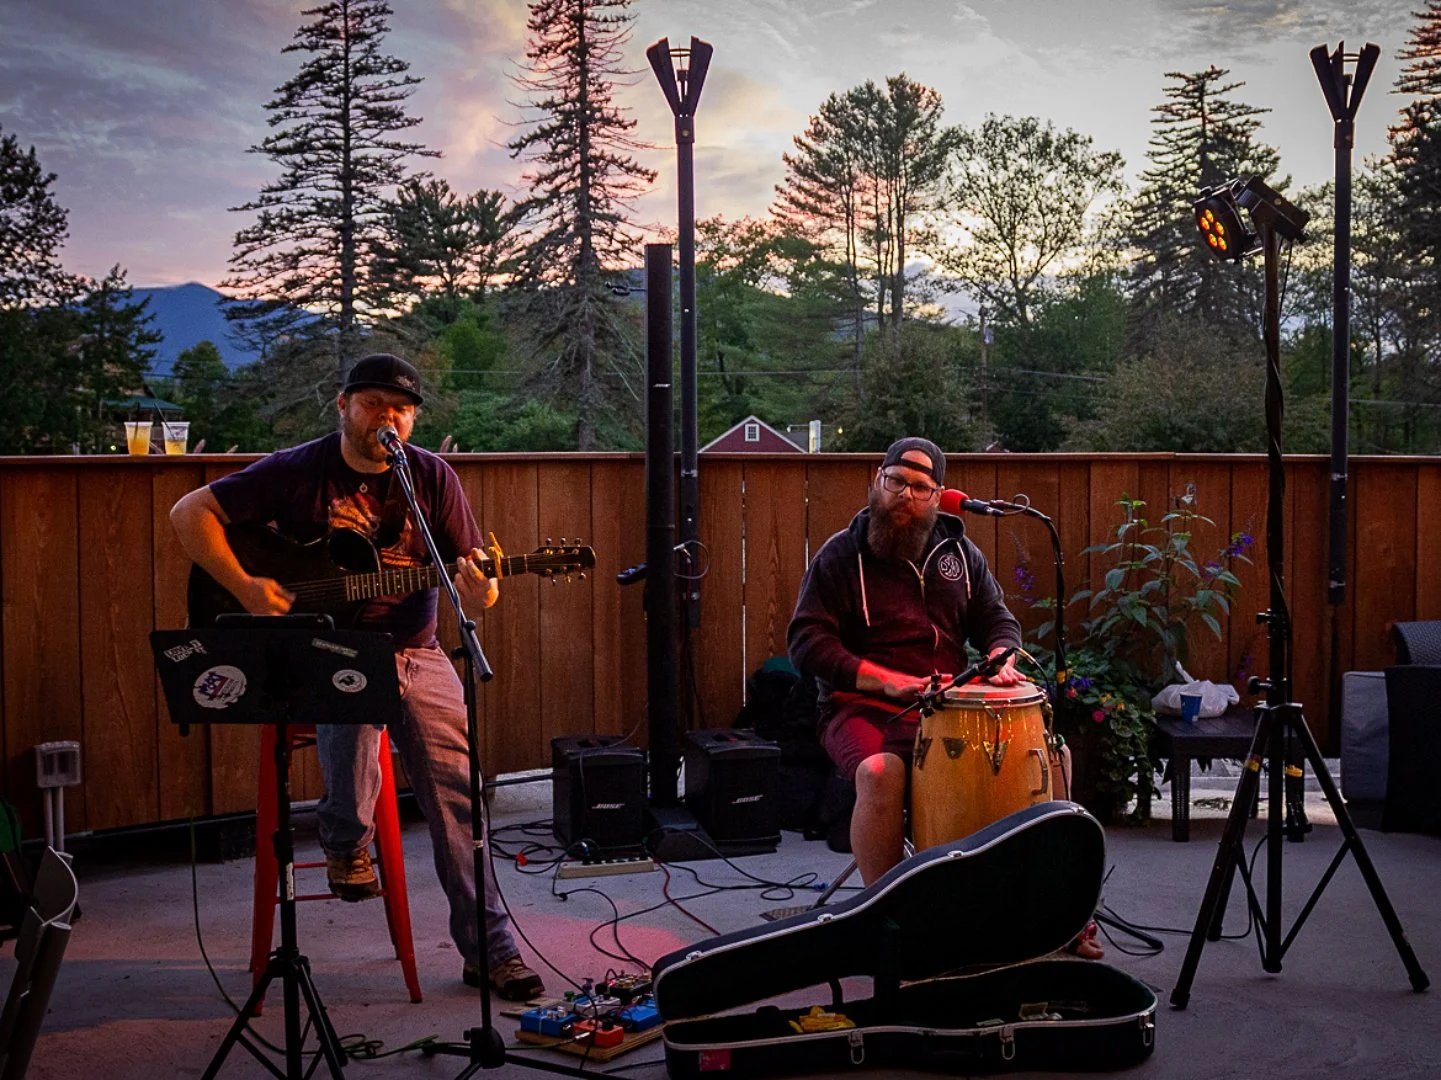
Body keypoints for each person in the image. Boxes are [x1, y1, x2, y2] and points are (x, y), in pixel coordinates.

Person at [169, 352, 545, 1001]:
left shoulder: (429, 477)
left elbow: (473, 585)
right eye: (372, 403)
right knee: (351, 686)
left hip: (416, 650)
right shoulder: (298, 470)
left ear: (412, 418)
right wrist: (248, 587)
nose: (386, 416)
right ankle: (345, 838)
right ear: (342, 407)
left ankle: (490, 949)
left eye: (399, 407)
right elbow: (188, 513)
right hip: (327, 645)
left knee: (457, 796)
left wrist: (481, 590)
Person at [788, 436, 1104, 960]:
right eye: (896, 481)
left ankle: (1060, 915)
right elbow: (807, 644)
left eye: (920, 486)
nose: (905, 495)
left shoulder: (960, 553)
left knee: (1055, 757)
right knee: (880, 774)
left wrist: (1004, 652)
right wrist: (890, 682)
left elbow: (997, 618)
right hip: (859, 705)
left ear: (938, 496)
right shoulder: (840, 557)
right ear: (877, 480)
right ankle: (888, 924)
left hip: (948, 707)